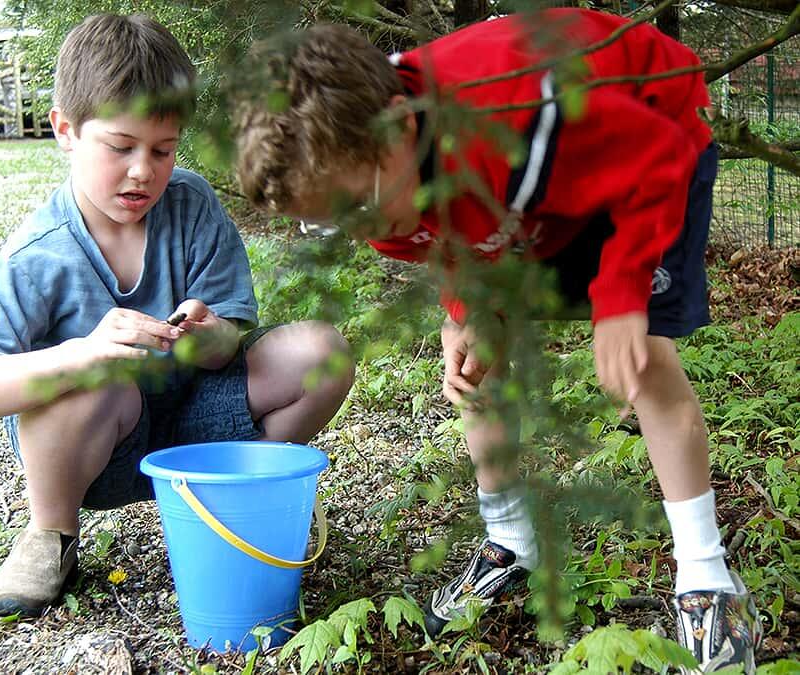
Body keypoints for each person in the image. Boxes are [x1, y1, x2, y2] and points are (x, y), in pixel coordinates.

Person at [232, 8, 760, 672]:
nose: (362, 231)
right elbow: (443, 227)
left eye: (357, 209)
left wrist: (621, 295)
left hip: (646, 144)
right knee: (477, 361)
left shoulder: (519, 111)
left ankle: (706, 577)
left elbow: (656, 158)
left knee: (645, 358)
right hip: (516, 191)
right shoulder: (375, 173)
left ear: (398, 127)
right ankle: (510, 541)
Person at [0, 13, 354, 619]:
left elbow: (233, 339)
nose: (144, 170)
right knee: (92, 379)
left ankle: (232, 494)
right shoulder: (37, 254)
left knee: (321, 354)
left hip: (195, 421)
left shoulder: (190, 205)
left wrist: (211, 336)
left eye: (163, 150)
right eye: (121, 147)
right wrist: (81, 354)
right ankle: (50, 535)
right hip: (95, 454)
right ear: (66, 131)